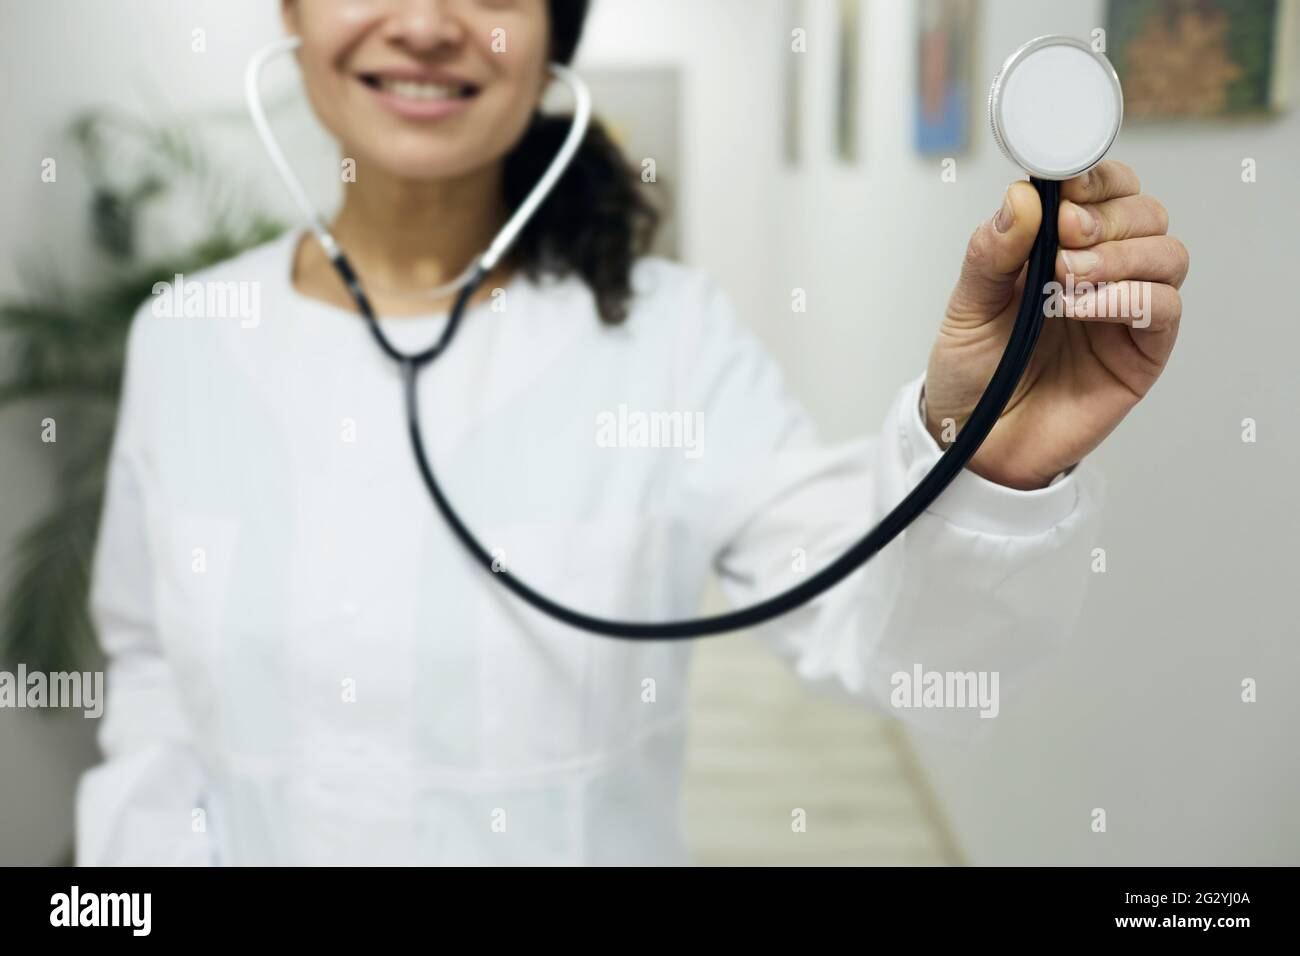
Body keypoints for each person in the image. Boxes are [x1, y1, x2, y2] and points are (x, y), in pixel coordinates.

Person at [76, 0, 1189, 865]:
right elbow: (149, 669)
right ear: (290, 11)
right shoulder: (185, 336)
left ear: (554, 32)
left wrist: (985, 457)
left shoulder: (670, 341)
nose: (423, 23)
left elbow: (901, 646)